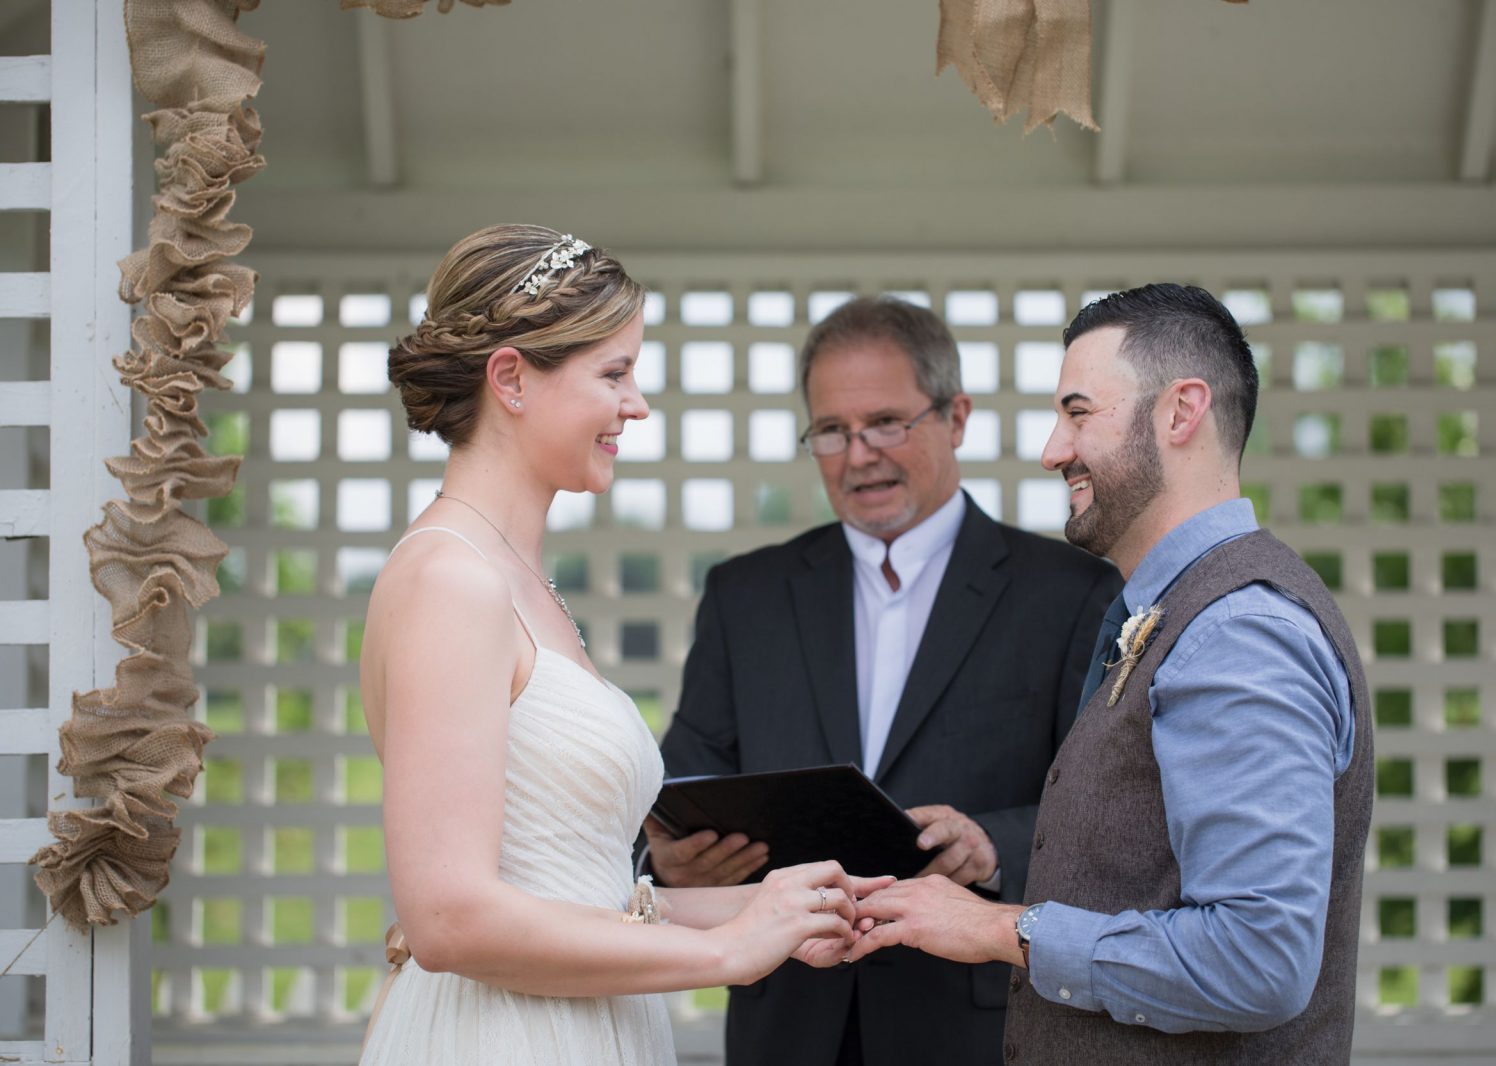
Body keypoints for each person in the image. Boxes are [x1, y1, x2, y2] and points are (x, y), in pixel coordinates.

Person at [357, 225, 889, 1066]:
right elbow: (450, 919)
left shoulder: (517, 579)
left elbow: (583, 894)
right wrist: (725, 955)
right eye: (614, 373)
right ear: (511, 379)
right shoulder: (449, 582)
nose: (636, 405)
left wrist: (775, 909)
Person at [851, 283, 1375, 1065]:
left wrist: (1000, 929)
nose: (1052, 449)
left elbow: (1258, 962)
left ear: (1180, 411)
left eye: (1079, 412)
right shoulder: (1176, 612)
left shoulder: (1238, 632)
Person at [650, 296, 1122, 1065]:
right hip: (787, 1023)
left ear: (956, 417)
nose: (859, 453)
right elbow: (684, 780)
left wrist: (994, 846)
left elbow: (1106, 815)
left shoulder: (1071, 593)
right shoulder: (747, 596)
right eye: (832, 431)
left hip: (974, 1028)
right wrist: (667, 858)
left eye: (886, 424)